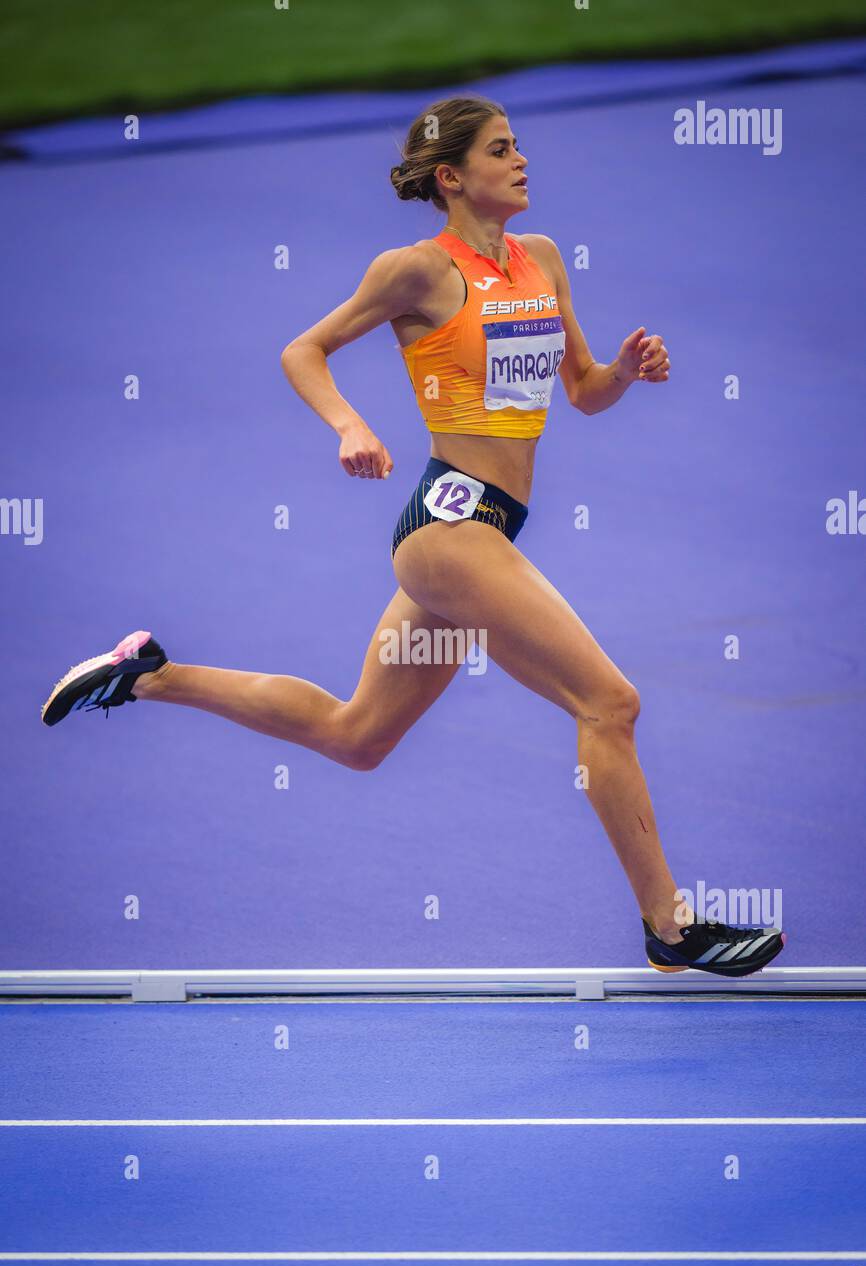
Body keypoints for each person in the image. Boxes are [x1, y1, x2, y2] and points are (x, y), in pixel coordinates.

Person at [40, 94, 785, 978]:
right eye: (501, 150)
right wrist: (350, 428)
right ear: (452, 176)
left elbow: (580, 389)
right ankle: (669, 925)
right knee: (610, 704)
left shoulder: (543, 260)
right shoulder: (416, 271)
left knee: (358, 737)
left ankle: (149, 674)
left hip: (487, 528)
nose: (521, 161)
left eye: (519, 146)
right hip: (450, 525)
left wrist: (624, 371)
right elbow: (303, 351)